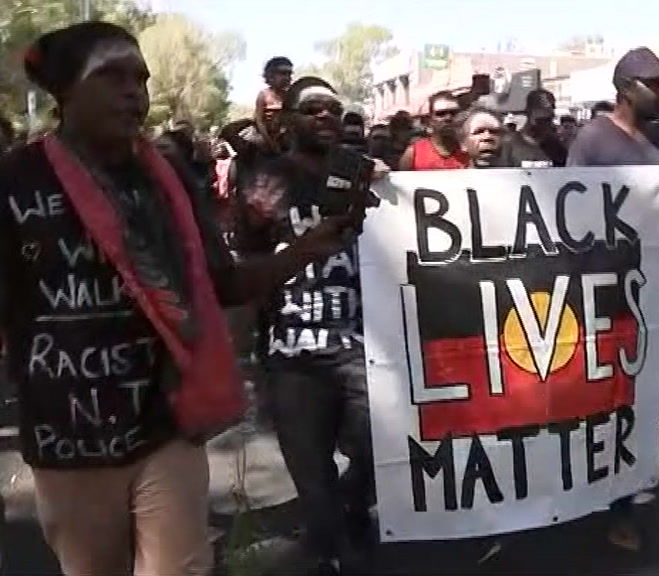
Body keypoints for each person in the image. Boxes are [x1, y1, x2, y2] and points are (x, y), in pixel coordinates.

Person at [2, 23, 363, 576]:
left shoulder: (166, 179)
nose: (134, 92)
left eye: (141, 79)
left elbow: (225, 284)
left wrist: (313, 247)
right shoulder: (16, 181)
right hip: (69, 441)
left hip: (167, 425)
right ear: (65, 91)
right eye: (112, 76)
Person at [235, 76, 382, 576]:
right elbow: (245, 258)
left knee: (377, 447)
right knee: (310, 470)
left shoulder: (366, 174)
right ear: (290, 120)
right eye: (313, 109)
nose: (325, 117)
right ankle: (331, 553)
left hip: (362, 344)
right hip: (290, 347)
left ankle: (354, 506)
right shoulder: (268, 179)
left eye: (333, 111)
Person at [568, 46, 659, 551]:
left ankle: (630, 479)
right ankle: (617, 506)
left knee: (653, 392)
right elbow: (571, 212)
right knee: (614, 397)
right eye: (657, 84)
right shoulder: (593, 139)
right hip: (612, 291)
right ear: (627, 88)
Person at [399, 91, 468, 170]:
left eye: (453, 113)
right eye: (441, 113)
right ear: (429, 120)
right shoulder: (414, 153)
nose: (448, 118)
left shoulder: (470, 149)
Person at [501, 89, 565, 167]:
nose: (545, 125)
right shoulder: (509, 143)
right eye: (540, 120)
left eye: (548, 119)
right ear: (528, 114)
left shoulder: (556, 146)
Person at [254, 56, 293, 154]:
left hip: (286, 138)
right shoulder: (264, 95)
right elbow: (259, 120)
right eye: (283, 74)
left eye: (289, 74)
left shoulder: (290, 95)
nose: (287, 78)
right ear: (270, 76)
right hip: (265, 136)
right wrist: (269, 142)